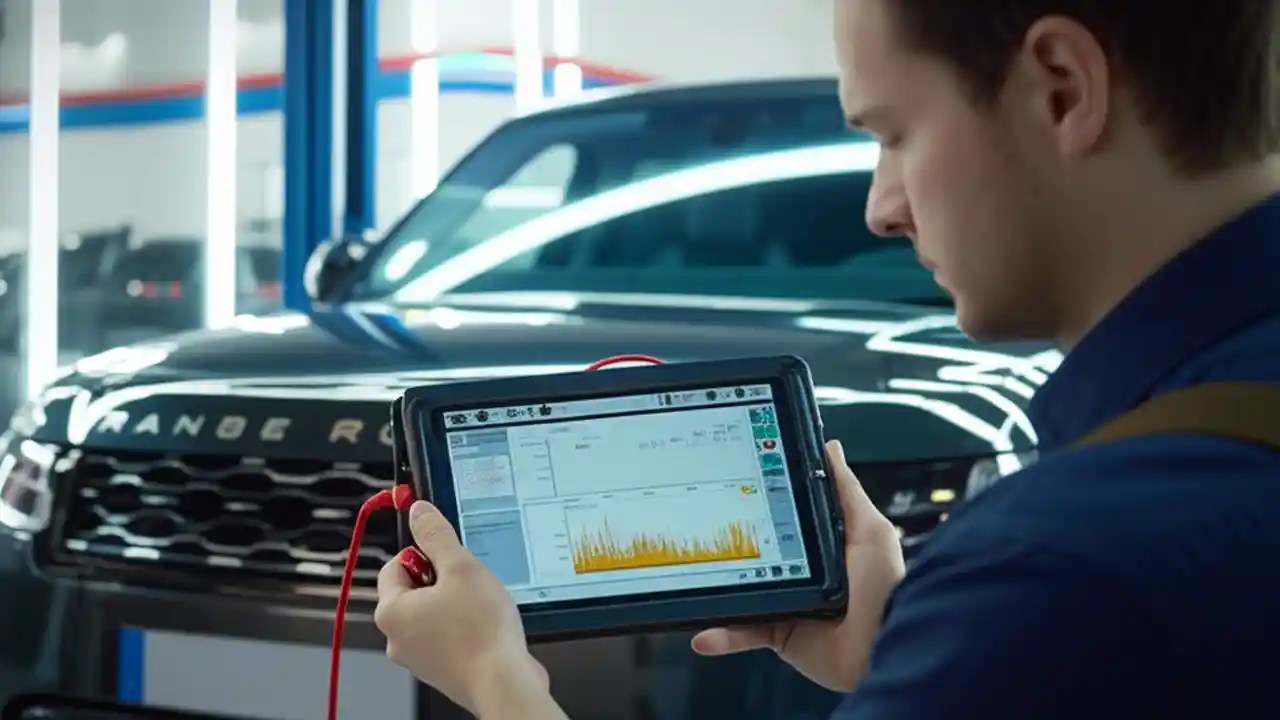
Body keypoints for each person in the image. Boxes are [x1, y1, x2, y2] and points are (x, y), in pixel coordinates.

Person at [374, 1, 1280, 717]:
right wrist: (908, 652)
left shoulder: (1062, 569)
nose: (881, 210)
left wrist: (499, 683)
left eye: (892, 133)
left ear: (1062, 88)